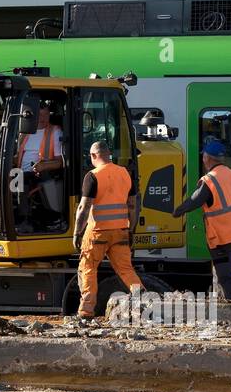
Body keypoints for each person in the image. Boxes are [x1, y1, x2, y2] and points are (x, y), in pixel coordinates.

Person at [173, 138, 231, 300]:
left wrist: (175, 212)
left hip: (222, 237)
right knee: (220, 271)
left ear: (207, 158)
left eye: (203, 156)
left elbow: (194, 201)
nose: (203, 159)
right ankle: (221, 304)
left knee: (226, 276)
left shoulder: (210, 180)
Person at [72, 140, 143, 319]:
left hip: (97, 232)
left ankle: (86, 311)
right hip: (120, 230)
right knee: (126, 269)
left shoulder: (92, 176)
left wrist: (77, 232)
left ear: (94, 156)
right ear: (108, 154)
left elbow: (83, 207)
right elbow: (133, 205)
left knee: (88, 268)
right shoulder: (125, 173)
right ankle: (143, 300)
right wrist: (131, 229)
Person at [15, 101, 65, 232]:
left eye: (46, 114)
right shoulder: (24, 132)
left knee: (21, 180)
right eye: (40, 114)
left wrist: (44, 166)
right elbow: (17, 156)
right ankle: (11, 217)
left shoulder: (55, 132)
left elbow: (60, 162)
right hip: (20, 171)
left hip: (41, 172)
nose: (43, 118)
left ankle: (25, 220)